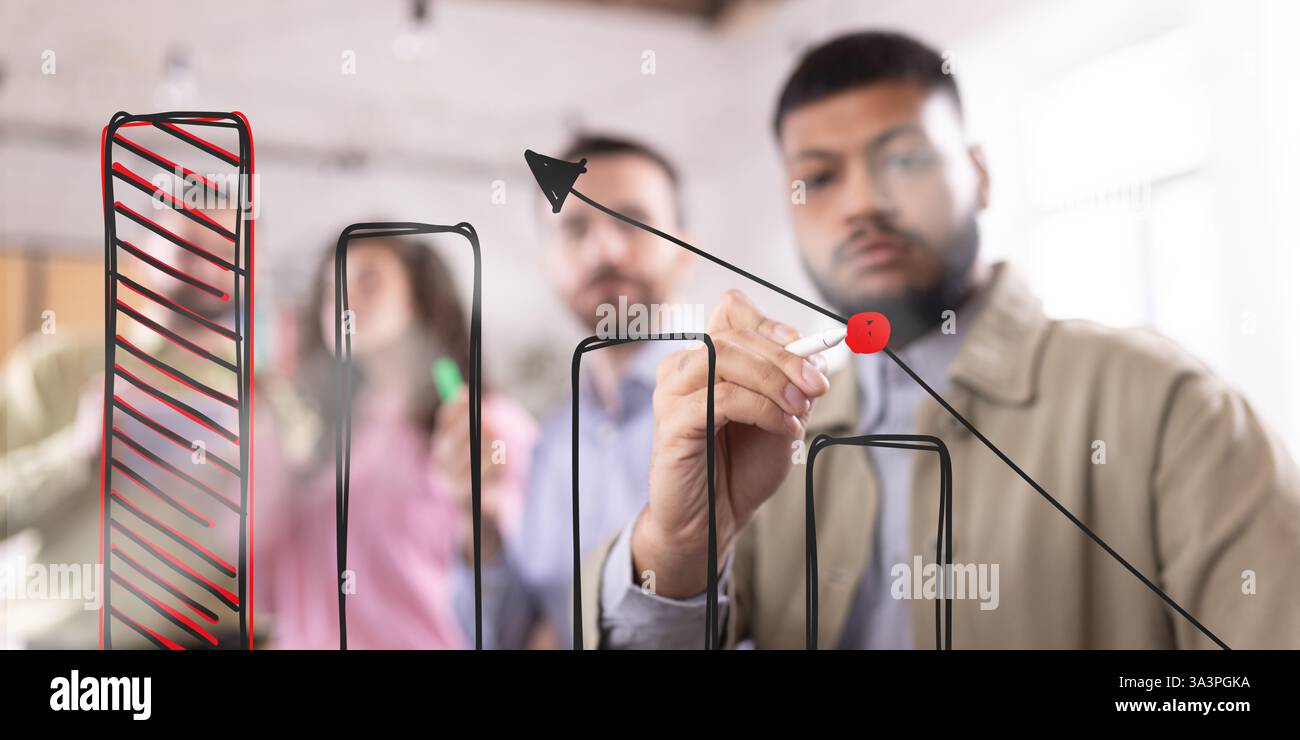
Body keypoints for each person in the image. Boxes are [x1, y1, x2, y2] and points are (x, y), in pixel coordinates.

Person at [587, 31, 1300, 649]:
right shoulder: (765, 437)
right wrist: (678, 546)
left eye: (903, 159)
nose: (863, 202)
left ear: (981, 175)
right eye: (821, 177)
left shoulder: (1169, 408)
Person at [448, 135, 731, 649]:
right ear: (548, 261)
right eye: (575, 228)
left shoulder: (736, 412)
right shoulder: (554, 443)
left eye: (632, 221)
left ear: (685, 248)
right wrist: (481, 525)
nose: (605, 250)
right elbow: (500, 637)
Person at [257, 234, 535, 649]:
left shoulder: (492, 428)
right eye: (332, 287)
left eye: (368, 281)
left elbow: (525, 601)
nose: (343, 301)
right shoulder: (314, 439)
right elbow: (266, 596)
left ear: (419, 301)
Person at [0, 206, 251, 648]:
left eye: (227, 247)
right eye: (190, 245)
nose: (212, 262)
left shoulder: (267, 401)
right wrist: (74, 455)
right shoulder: (55, 368)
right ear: (137, 253)